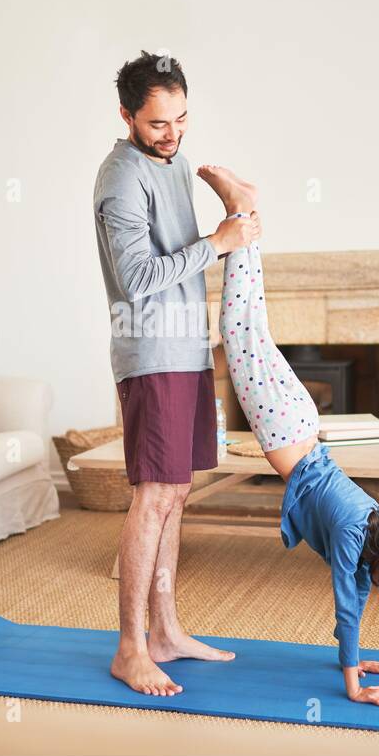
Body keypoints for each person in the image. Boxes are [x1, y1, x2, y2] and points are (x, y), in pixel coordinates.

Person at [197, 164, 379, 707]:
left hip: (298, 422)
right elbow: (345, 603)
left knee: (250, 325)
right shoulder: (351, 534)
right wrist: (354, 688)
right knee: (239, 326)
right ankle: (239, 214)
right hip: (287, 427)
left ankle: (244, 216)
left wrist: (355, 657)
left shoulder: (371, 529)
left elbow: (356, 595)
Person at [93, 51, 262, 696]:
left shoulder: (179, 164)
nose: (173, 134)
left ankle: (164, 630)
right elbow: (137, 281)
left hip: (189, 350)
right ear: (127, 116)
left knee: (179, 491)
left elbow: (178, 258)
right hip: (151, 354)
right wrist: (218, 242)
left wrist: (229, 211)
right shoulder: (119, 175)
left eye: (182, 118)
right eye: (158, 124)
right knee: (154, 494)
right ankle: (129, 647)